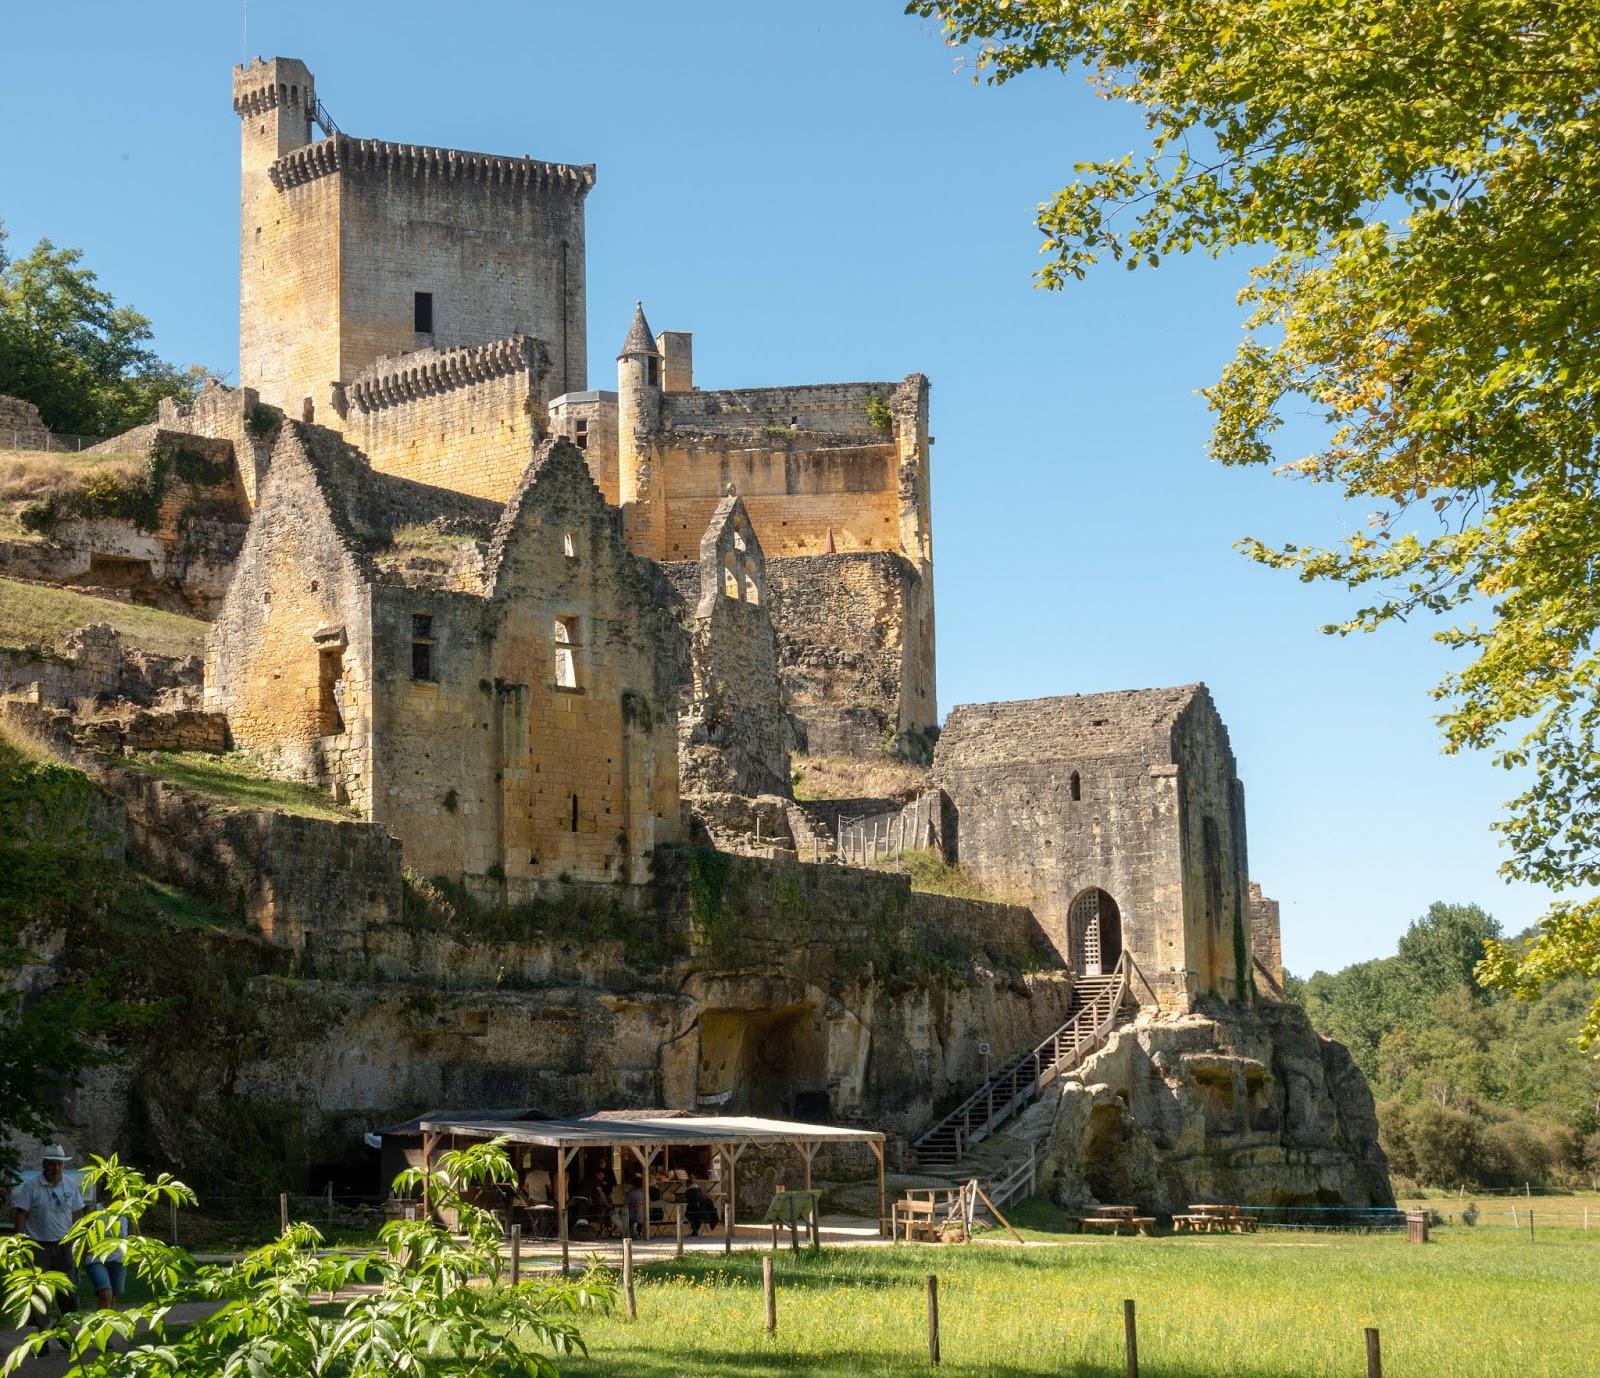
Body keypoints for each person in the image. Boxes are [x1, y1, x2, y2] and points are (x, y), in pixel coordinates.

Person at [11, 1145, 85, 1345]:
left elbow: (78, 1213)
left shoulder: (70, 1185)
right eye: (52, 1163)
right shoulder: (31, 1186)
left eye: (59, 1164)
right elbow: (21, 1214)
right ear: (44, 1164)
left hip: (65, 1246)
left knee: (69, 1292)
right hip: (38, 1246)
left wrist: (80, 1238)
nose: (56, 1167)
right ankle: (42, 1335)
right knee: (38, 1291)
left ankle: (62, 1328)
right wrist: (20, 1243)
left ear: (63, 1165)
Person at [84, 1206, 134, 1311]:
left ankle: (104, 1324)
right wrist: (85, 1254)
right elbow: (84, 1233)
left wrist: (136, 1260)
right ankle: (103, 1323)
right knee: (105, 1294)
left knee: (111, 1298)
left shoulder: (127, 1212)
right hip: (97, 1259)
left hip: (119, 1259)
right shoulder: (96, 1210)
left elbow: (132, 1236)